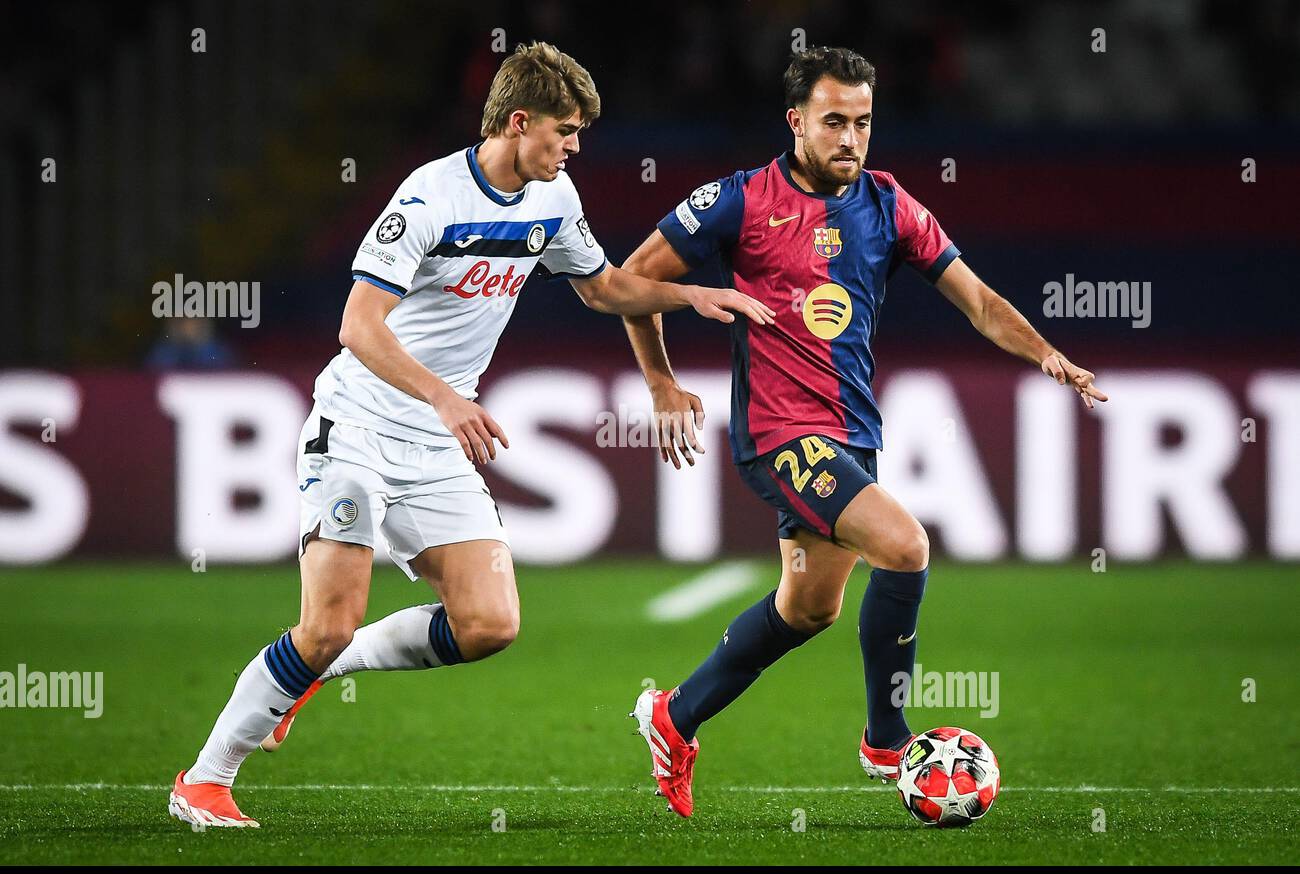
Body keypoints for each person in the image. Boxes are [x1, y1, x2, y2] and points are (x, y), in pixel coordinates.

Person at [168, 41, 774, 828]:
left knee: (489, 623)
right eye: (565, 130)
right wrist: (445, 399)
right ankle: (205, 778)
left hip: (433, 441)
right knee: (326, 620)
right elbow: (359, 326)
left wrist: (688, 295)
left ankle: (318, 672)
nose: (576, 146)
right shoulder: (431, 197)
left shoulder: (555, 198)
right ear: (518, 122)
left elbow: (601, 288)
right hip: (357, 426)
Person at [620, 46, 1106, 817]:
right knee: (906, 545)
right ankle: (887, 738)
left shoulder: (888, 203)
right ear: (797, 121)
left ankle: (673, 717)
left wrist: (1048, 352)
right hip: (779, 435)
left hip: (850, 433)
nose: (851, 138)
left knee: (809, 607)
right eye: (835, 122)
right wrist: (660, 382)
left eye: (864, 122)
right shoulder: (738, 201)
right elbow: (630, 282)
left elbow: (977, 301)